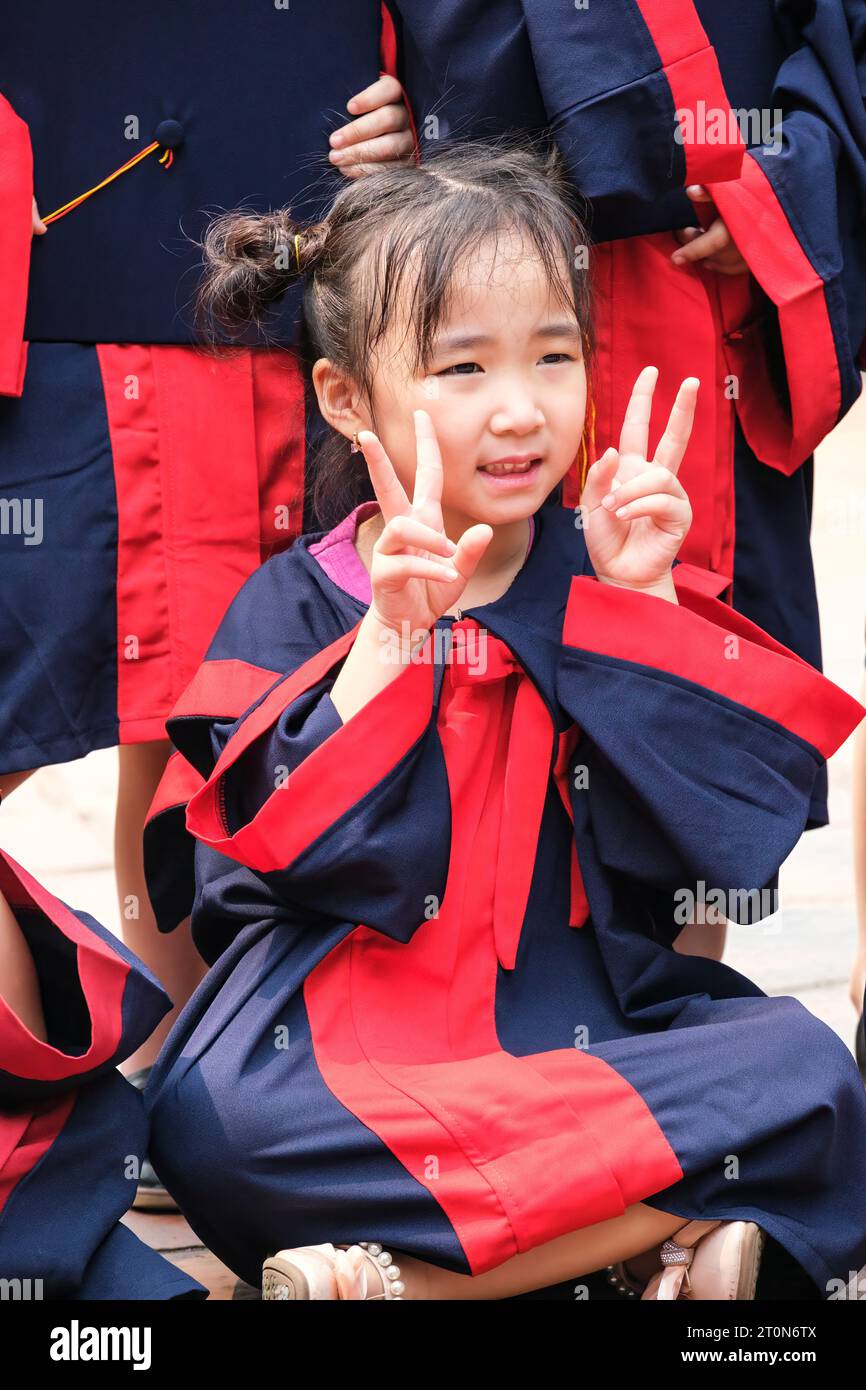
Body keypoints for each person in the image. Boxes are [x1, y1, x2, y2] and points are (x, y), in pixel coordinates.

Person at [129, 140, 866, 1301]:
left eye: (554, 355)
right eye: (461, 368)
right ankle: (651, 1249)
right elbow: (238, 891)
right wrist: (386, 646)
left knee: (805, 1072)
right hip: (341, 1048)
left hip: (576, 1035)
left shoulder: (600, 570)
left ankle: (407, 1288)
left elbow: (715, 852)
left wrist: (640, 614)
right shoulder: (297, 601)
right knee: (214, 1124)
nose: (520, 409)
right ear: (343, 395)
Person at [0, 3, 416, 1201]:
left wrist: (411, 111)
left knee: (200, 721)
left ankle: (184, 1067)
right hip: (68, 290)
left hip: (285, 299)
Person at [386, 0, 866, 964]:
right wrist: (357, 112)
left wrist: (786, 181)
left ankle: (682, 1010)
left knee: (684, 676)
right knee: (437, 655)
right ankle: (456, 1017)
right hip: (446, 259)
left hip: (692, 266)